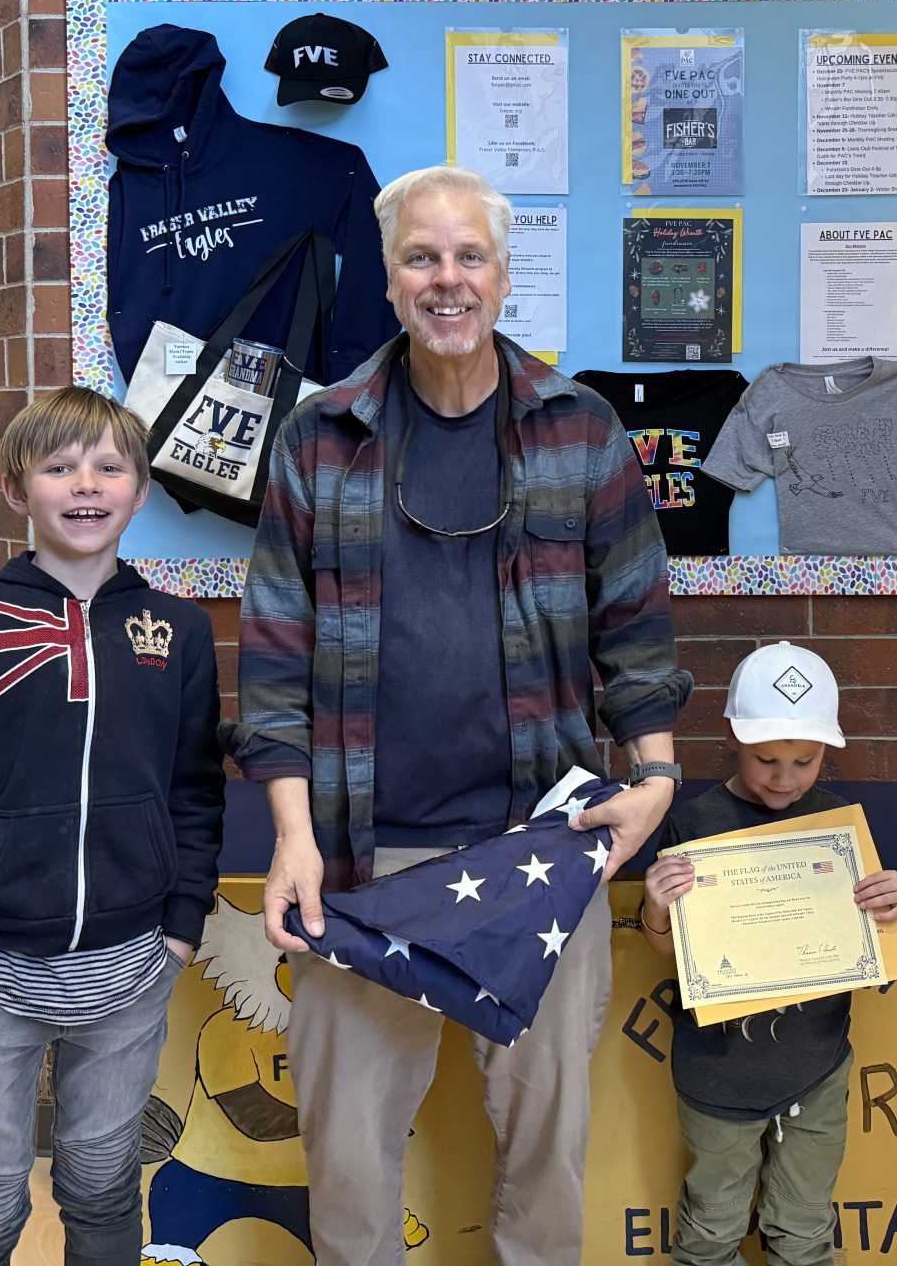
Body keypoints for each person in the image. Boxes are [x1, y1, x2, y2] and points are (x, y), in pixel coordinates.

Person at [232, 164, 692, 1264]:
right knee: (344, 1156)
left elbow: (633, 628)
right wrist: (290, 839)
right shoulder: (316, 440)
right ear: (386, 283)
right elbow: (274, 657)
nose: (447, 279)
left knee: (545, 1149)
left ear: (501, 272)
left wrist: (658, 780)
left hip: (540, 851)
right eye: (421, 259)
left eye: (468, 256)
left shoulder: (580, 433)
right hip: (359, 858)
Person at [0, 388, 225, 1266]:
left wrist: (178, 930)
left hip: (130, 968)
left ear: (141, 490)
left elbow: (195, 789)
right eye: (59, 467)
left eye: (110, 466)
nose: (86, 485)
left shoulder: (174, 631)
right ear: (19, 491)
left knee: (102, 1188)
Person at [641, 642, 897, 1266]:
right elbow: (670, 954)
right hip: (716, 1073)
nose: (785, 777)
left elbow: (877, 928)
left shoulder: (837, 823)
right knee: (711, 1226)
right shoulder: (695, 823)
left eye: (805, 760)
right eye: (768, 759)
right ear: (734, 734)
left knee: (805, 1225)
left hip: (817, 1067)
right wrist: (657, 909)